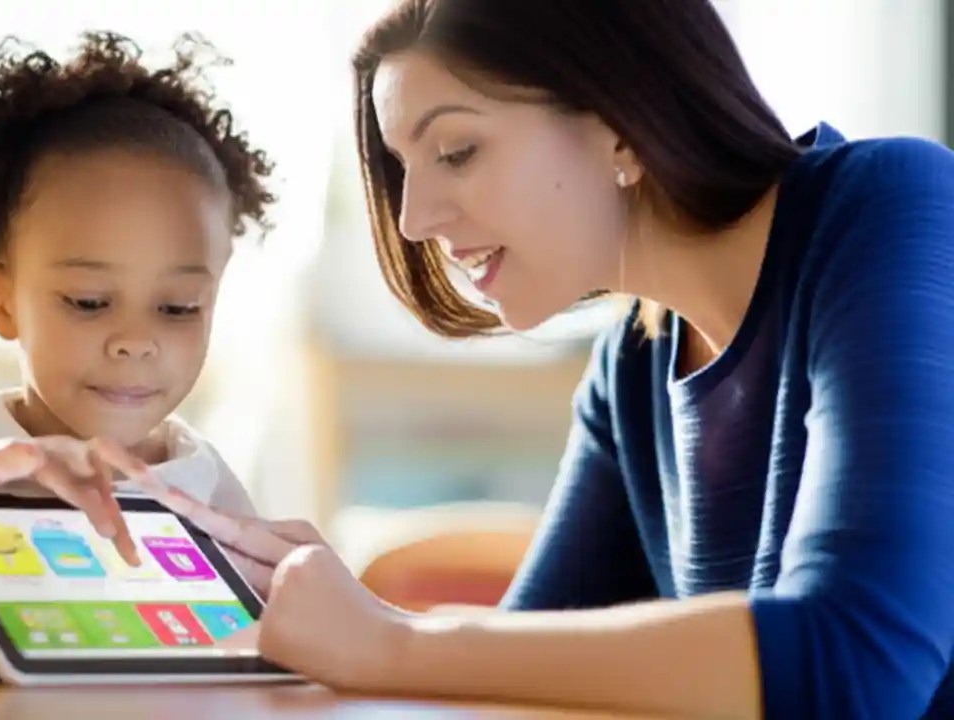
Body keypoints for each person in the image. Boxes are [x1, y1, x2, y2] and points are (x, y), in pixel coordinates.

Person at [160, 1, 954, 717]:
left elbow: (858, 664)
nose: (413, 219)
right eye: (404, 168)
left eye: (457, 149)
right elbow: (515, 668)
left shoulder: (893, 207)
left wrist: (389, 642)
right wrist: (359, 622)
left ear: (620, 118)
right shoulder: (632, 370)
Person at [0, 31, 277, 673]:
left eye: (178, 307)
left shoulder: (206, 483)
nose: (136, 341)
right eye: (87, 301)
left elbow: (263, 653)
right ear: (2, 303)